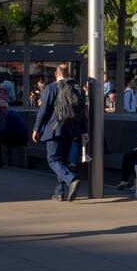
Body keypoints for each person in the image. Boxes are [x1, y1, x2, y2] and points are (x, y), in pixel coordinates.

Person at [33, 65, 87, 202]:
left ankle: (72, 179)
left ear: (56, 74)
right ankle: (59, 193)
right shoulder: (76, 89)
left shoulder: (51, 88)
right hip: (71, 130)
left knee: (53, 159)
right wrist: (83, 131)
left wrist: (36, 129)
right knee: (62, 161)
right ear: (67, 73)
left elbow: (43, 111)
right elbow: (82, 112)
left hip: (54, 129)